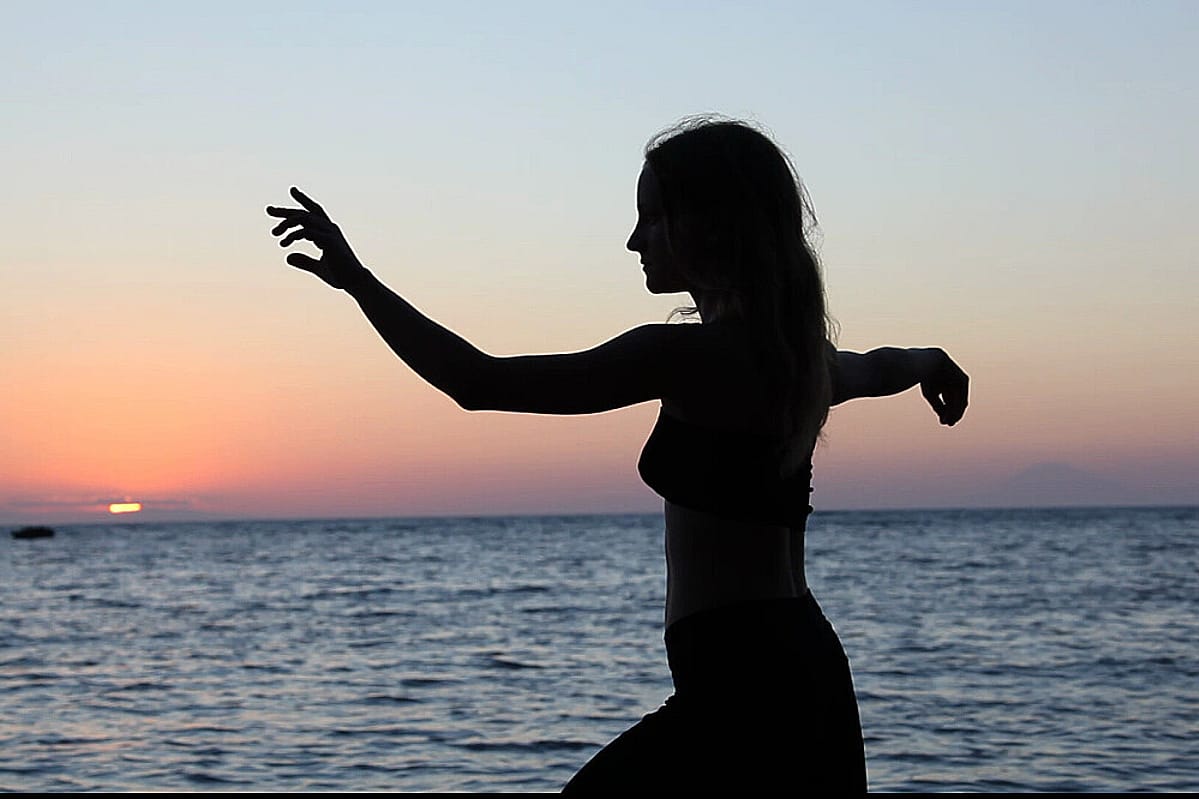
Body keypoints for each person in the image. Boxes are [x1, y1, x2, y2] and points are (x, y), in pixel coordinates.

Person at [266, 116, 968, 792]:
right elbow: (881, 365)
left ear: (710, 225)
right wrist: (931, 360)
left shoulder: (683, 357)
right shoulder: (799, 363)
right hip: (801, 671)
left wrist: (358, 280)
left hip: (739, 689)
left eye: (652, 217)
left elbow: (477, 382)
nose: (634, 240)